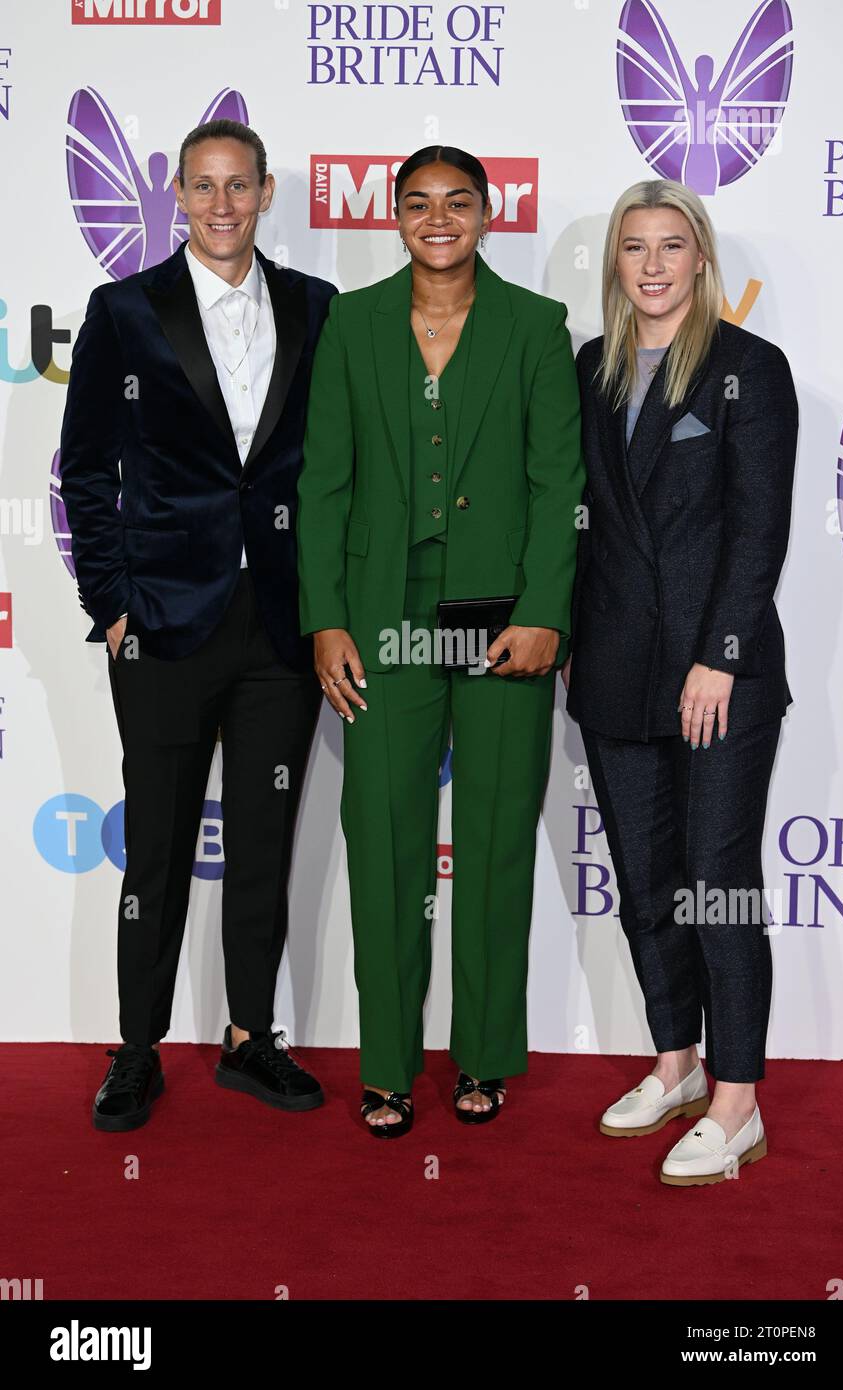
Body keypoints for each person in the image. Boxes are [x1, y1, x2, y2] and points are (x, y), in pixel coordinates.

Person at [297, 145, 584, 1137]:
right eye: (417, 202)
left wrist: (545, 608)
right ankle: (385, 1063)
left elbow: (557, 486)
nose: (436, 217)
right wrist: (324, 617)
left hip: (502, 616)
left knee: (498, 838)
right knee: (383, 843)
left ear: (486, 213)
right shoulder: (350, 321)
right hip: (381, 614)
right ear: (395, 216)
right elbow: (322, 481)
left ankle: (484, 1055)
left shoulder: (536, 327)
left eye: (456, 201)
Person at [60, 119, 337, 1131]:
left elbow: (333, 470)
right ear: (175, 195)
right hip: (166, 626)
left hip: (280, 629)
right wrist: (114, 604)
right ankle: (136, 1048)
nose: (222, 206)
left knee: (265, 840)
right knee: (159, 848)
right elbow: (86, 469)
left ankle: (249, 1038)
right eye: (203, 187)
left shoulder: (318, 308)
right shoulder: (124, 312)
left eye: (239, 186)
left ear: (267, 192)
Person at [566, 178, 798, 1185]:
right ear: (614, 265)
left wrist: (722, 656)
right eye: (633, 247)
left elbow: (758, 530)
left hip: (718, 677)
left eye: (671, 244)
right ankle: (677, 1062)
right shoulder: (587, 368)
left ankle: (737, 1100)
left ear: (700, 258)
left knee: (715, 885)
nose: (652, 264)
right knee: (646, 886)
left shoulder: (749, 368)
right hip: (613, 670)